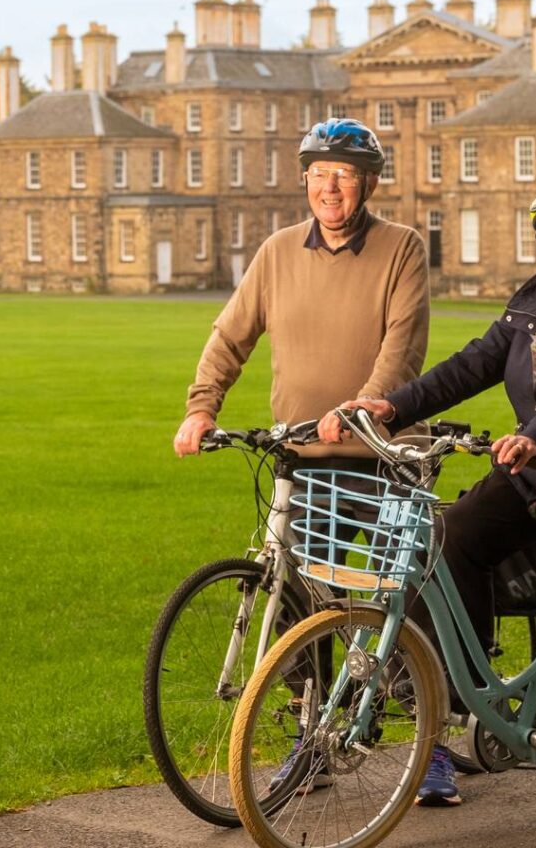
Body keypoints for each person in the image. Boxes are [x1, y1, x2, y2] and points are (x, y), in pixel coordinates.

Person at [319, 176, 536, 841]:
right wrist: (394, 404)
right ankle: (472, 698)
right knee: (453, 536)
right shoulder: (533, 302)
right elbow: (475, 362)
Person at [173, 118, 431, 792]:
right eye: (319, 174)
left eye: (343, 174)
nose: (330, 187)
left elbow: (401, 349)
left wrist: (360, 406)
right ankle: (312, 738)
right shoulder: (278, 252)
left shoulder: (402, 248)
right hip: (303, 459)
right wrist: (203, 406)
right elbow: (231, 335)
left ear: (368, 183)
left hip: (383, 455)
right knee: (291, 598)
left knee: (399, 597)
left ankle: (427, 743)